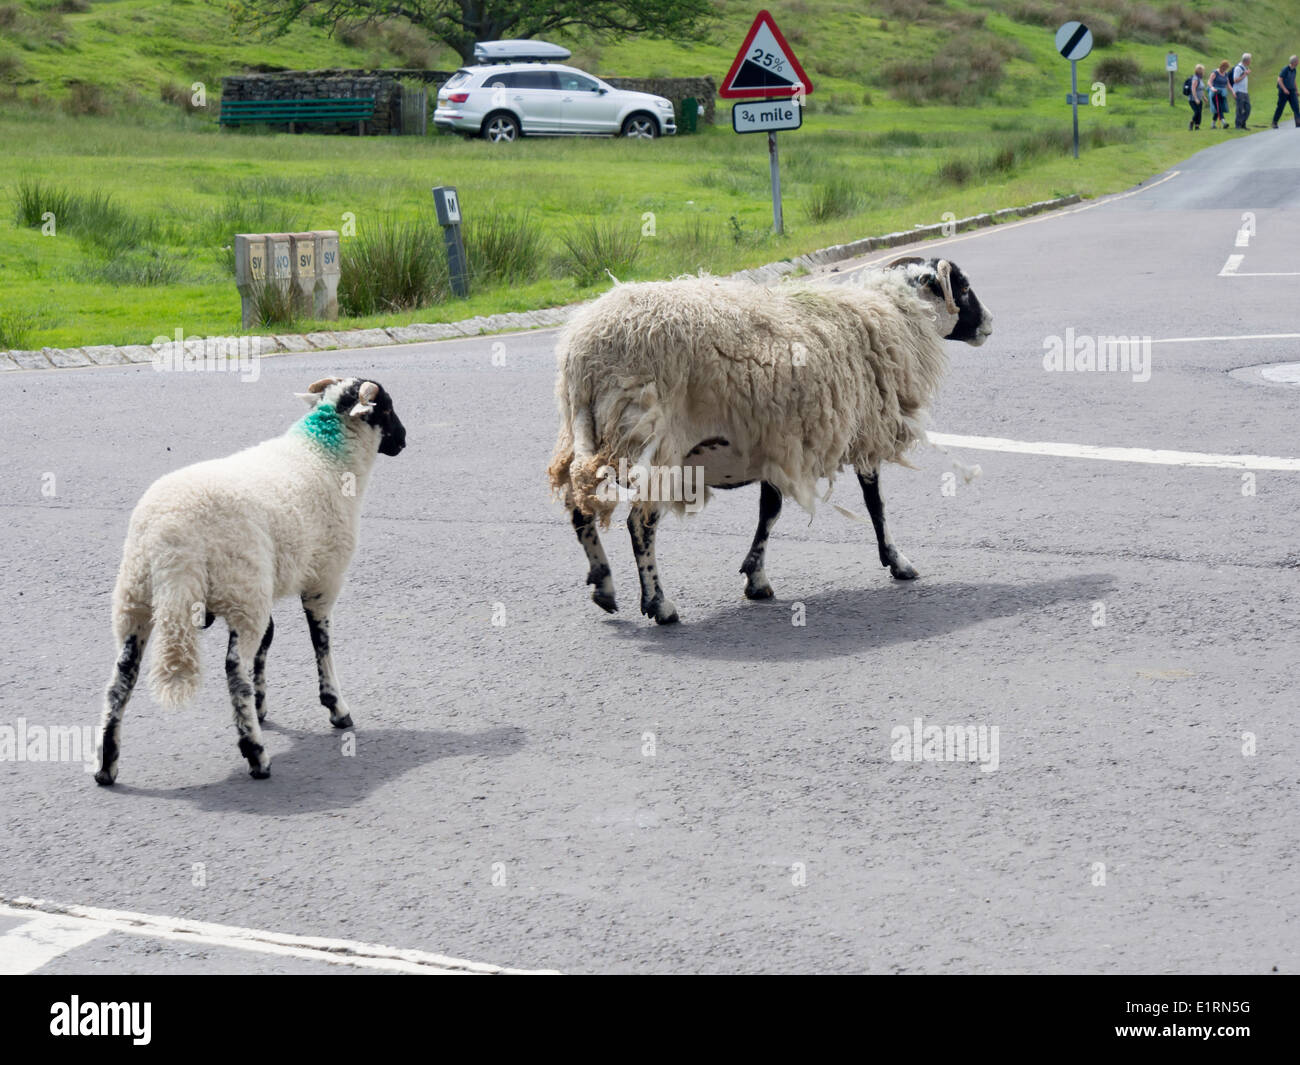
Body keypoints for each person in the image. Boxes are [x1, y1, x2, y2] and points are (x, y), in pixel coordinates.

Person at [1273, 55, 1299, 128]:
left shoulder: (1294, 70)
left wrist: (1296, 90)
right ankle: (1274, 122)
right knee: (1280, 107)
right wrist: (1284, 89)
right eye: (1297, 61)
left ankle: (1298, 122)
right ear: (1294, 62)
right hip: (1283, 91)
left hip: (1291, 91)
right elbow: (1279, 80)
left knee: (1296, 106)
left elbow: (1293, 80)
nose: (1298, 62)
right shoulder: (1285, 69)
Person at [1232, 53, 1252, 129]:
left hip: (1245, 91)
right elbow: (1235, 80)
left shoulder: (1245, 68)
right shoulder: (1238, 68)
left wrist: (1245, 73)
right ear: (1247, 61)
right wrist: (1245, 74)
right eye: (1250, 60)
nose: (1250, 61)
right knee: (1239, 109)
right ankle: (1238, 125)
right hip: (1239, 91)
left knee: (1248, 108)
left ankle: (1242, 123)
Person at [1209, 61, 1231, 128]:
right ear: (1221, 66)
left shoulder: (1226, 74)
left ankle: (1213, 124)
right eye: (1224, 68)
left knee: (1218, 109)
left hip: (1222, 94)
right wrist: (1212, 88)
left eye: (1226, 68)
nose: (1225, 69)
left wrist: (1233, 92)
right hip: (1215, 93)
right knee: (1219, 108)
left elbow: (1228, 84)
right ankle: (1224, 123)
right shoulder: (1215, 72)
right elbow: (1209, 82)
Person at [1188, 63, 1206, 130]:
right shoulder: (1195, 78)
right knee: (1196, 112)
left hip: (1199, 98)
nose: (1203, 71)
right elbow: (1193, 88)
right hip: (1193, 99)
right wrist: (1195, 98)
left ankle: (1197, 126)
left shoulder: (1200, 78)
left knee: (1199, 112)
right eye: (1202, 70)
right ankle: (1191, 122)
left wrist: (1204, 97)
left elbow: (1201, 89)